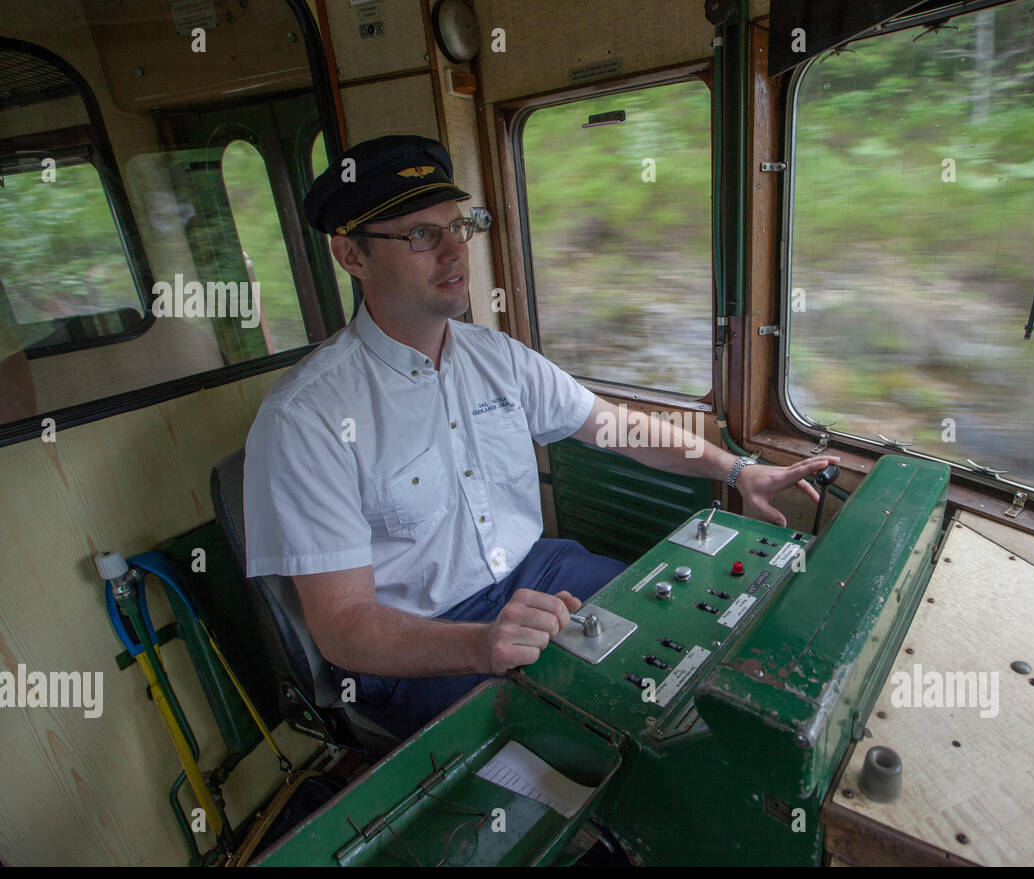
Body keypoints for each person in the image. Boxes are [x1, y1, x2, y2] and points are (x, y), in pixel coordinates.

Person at [243, 135, 837, 741]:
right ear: (352, 256)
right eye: (421, 235)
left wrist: (738, 471)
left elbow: (616, 425)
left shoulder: (495, 355)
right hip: (425, 641)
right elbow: (343, 627)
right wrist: (483, 645)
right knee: (618, 730)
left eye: (458, 226)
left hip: (540, 571)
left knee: (694, 639)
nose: (454, 252)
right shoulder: (305, 417)